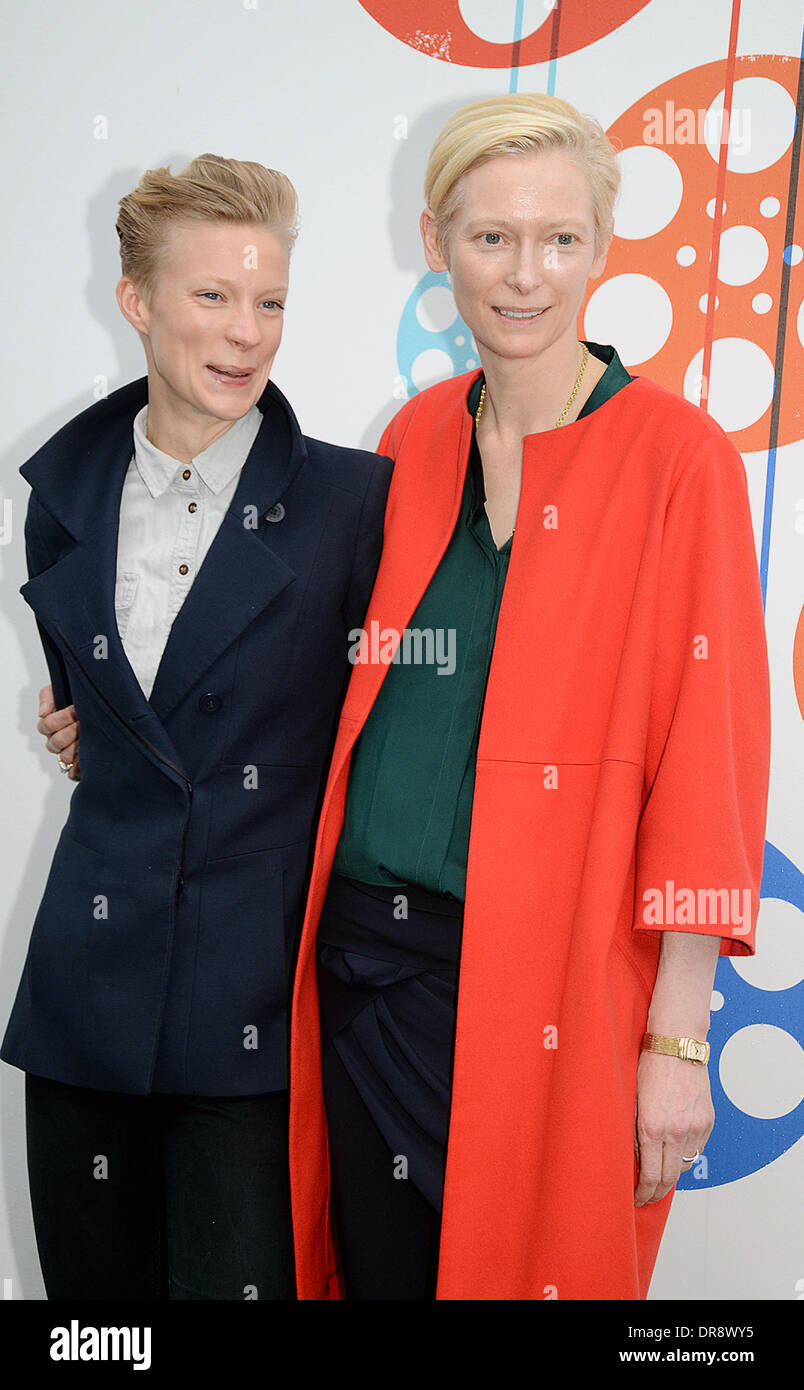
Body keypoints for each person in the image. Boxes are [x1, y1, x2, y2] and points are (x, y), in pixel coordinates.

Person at [286, 94, 771, 1300]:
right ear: (435, 239)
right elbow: (360, 668)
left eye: (559, 238)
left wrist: (677, 1038)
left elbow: (706, 763)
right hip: (358, 969)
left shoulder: (680, 459)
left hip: (551, 984)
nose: (524, 275)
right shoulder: (410, 438)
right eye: (491, 236)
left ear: (605, 248)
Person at [3, 154, 391, 1299]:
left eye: (269, 300)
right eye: (212, 296)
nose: (246, 332)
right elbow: (98, 715)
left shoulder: (354, 503)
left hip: (257, 1012)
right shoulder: (59, 497)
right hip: (85, 1002)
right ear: (137, 301)